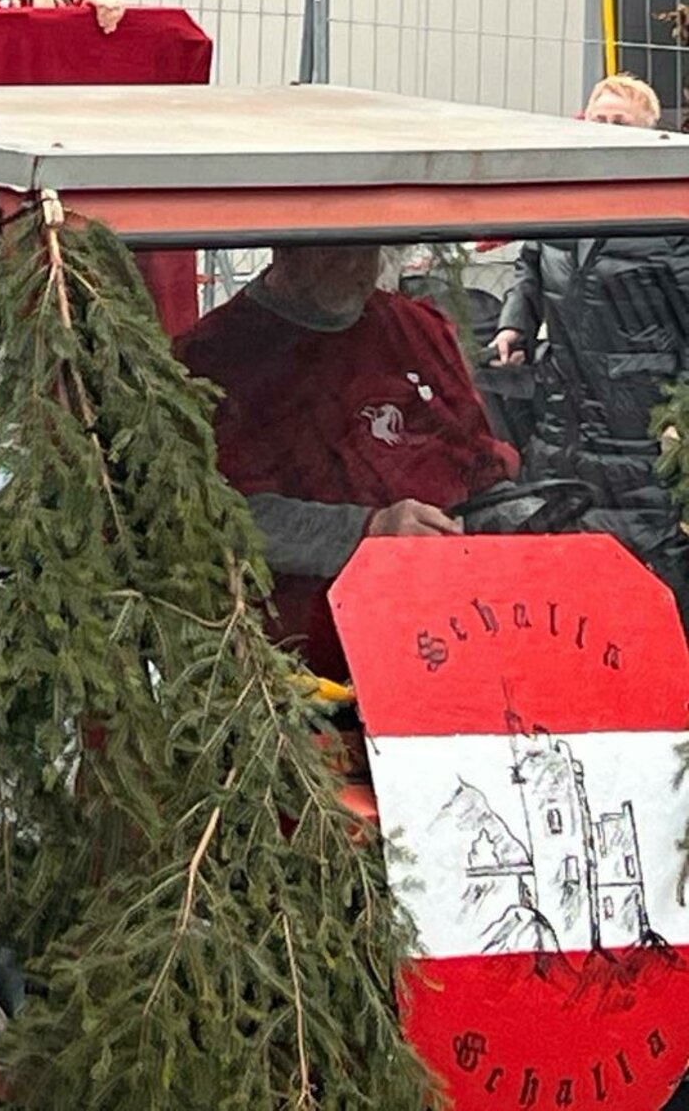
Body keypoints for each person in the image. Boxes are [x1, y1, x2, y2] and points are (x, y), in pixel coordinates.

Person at [177, 243, 519, 675]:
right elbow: (224, 515)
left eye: (366, 251)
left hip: (454, 618)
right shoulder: (212, 358)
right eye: (334, 251)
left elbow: (477, 455)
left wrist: (500, 512)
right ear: (284, 249)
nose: (355, 266)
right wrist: (368, 529)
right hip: (309, 655)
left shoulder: (414, 328)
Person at [489, 73, 689, 593]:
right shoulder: (563, 198)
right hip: (563, 415)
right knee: (562, 552)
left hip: (642, 427)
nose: (606, 129)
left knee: (645, 559)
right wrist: (515, 323)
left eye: (620, 122)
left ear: (649, 135)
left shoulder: (670, 215)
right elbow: (530, 265)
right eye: (599, 119)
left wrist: (681, 419)